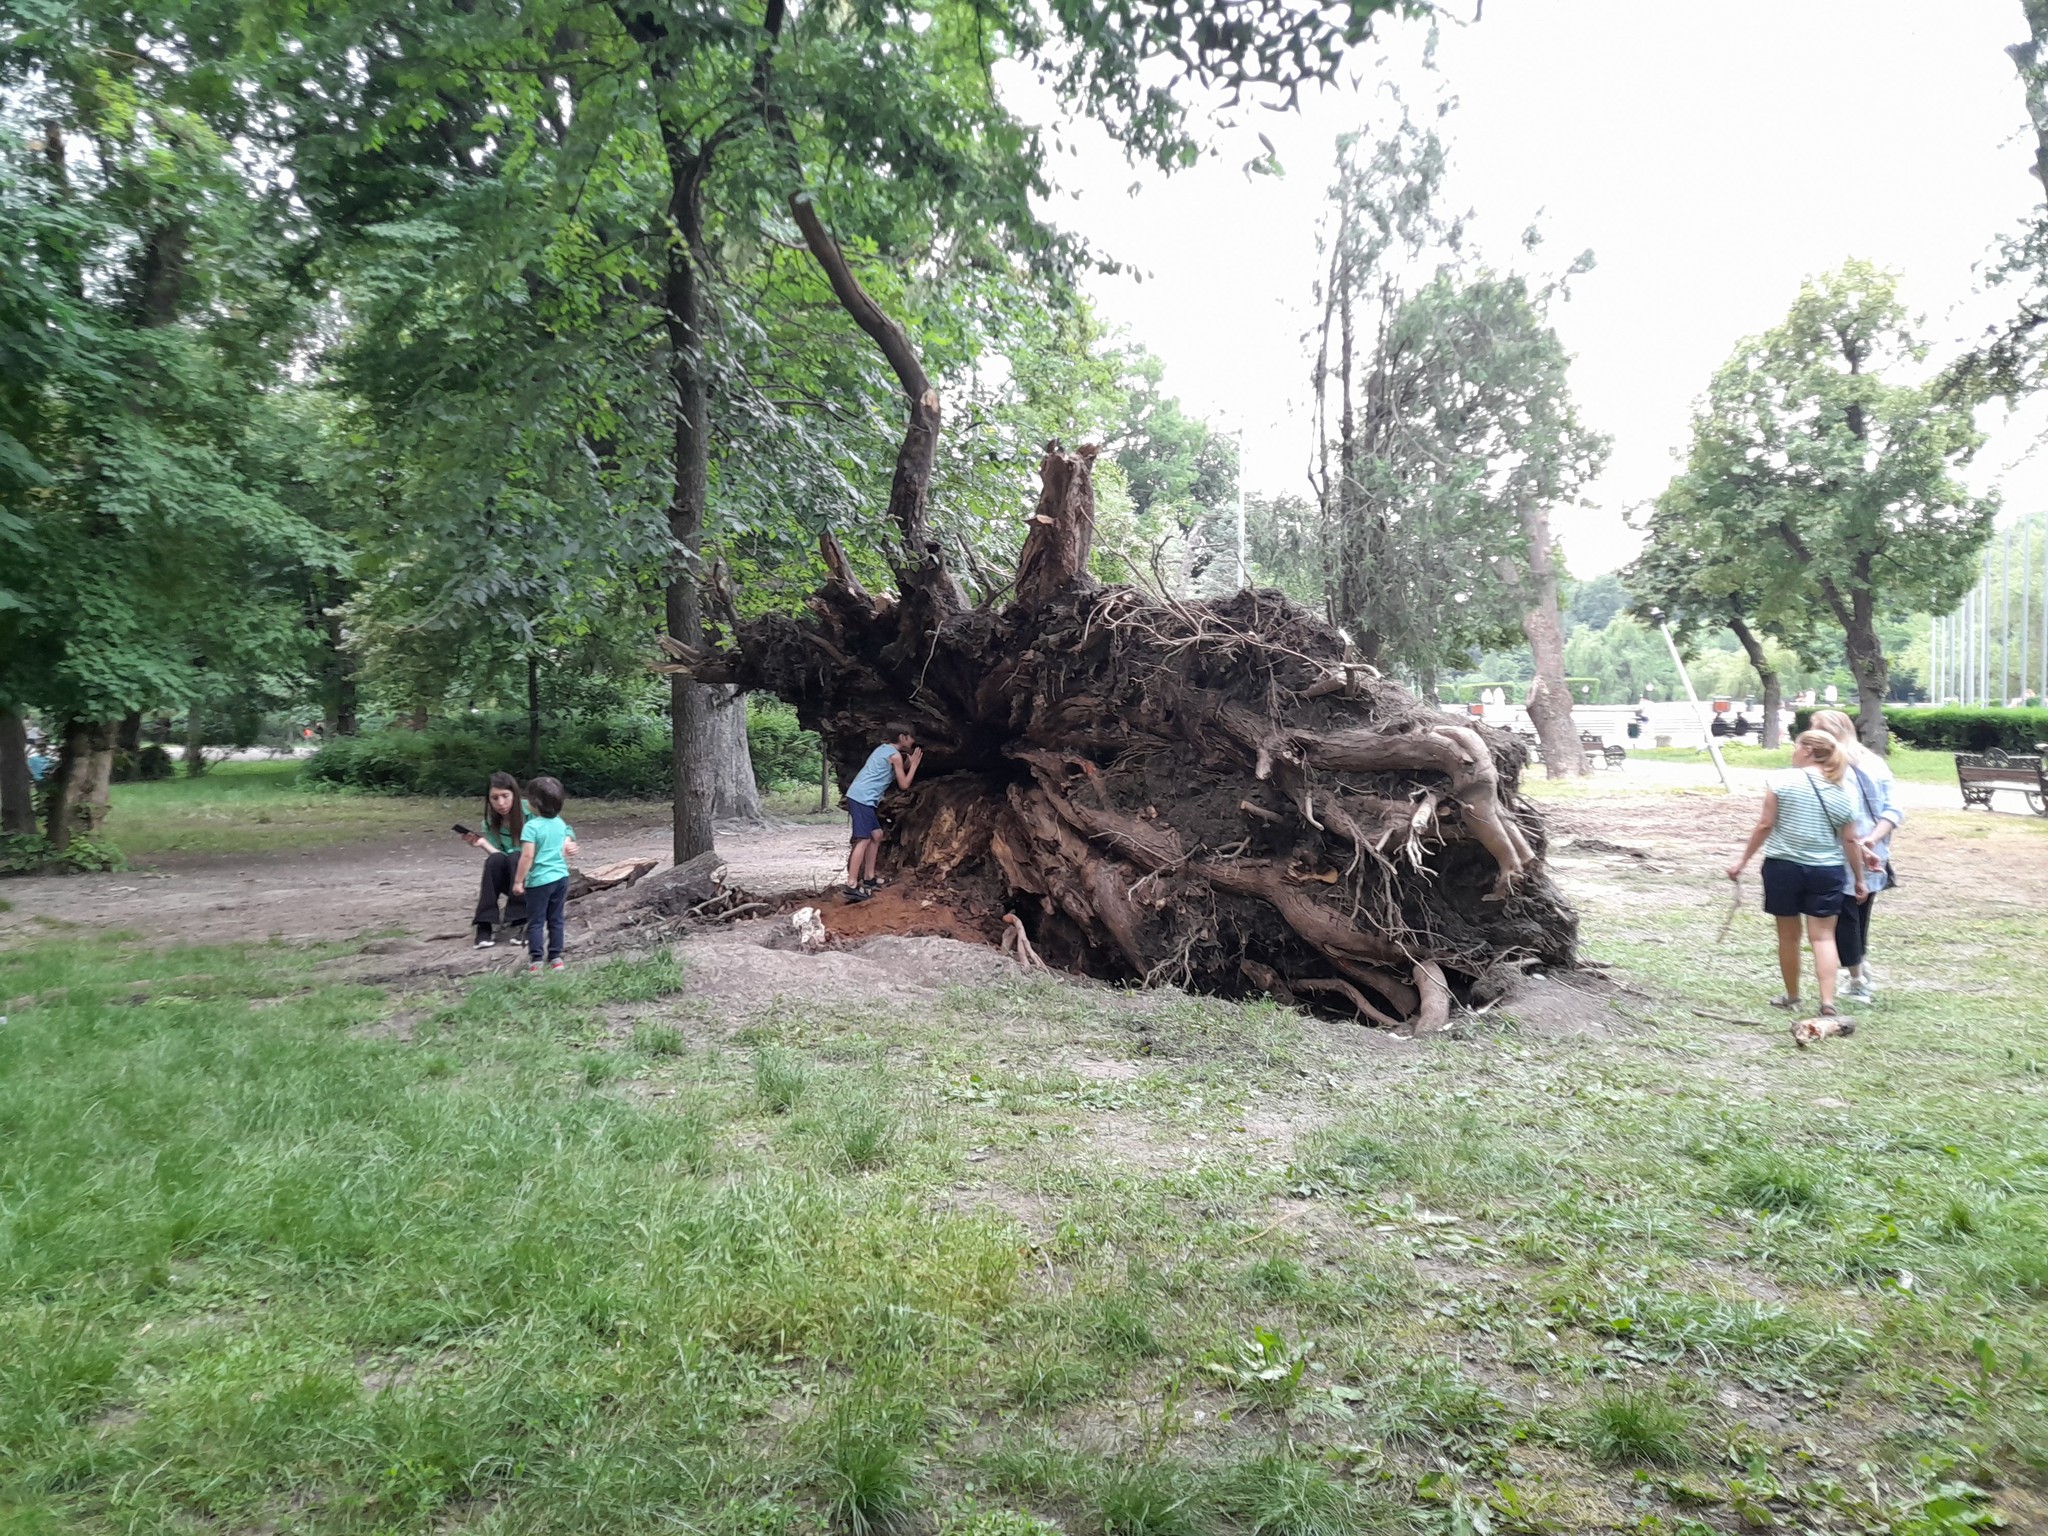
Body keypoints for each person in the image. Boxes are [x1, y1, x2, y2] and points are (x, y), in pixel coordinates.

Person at [1725, 729, 1867, 1023]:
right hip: (1827, 870)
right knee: (1824, 937)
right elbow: (1850, 840)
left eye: (1795, 745)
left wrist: (1743, 859)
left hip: (1783, 867)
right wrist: (1860, 878)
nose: (1792, 751)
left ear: (1807, 751)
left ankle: (1792, 996)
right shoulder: (1844, 788)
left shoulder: (1781, 780)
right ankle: (1827, 1002)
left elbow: (1765, 824)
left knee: (1788, 937)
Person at [1810, 708, 1902, 1006]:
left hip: (1842, 853)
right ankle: (1861, 966)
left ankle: (1856, 978)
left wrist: (1860, 842)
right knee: (1860, 916)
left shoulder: (1832, 767)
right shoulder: (1874, 762)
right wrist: (1873, 840)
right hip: (1875, 851)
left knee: (1844, 920)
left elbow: (1834, 817)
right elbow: (1894, 809)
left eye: (1816, 728)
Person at [842, 722, 921, 903]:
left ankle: (869, 878)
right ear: (902, 738)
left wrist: (909, 761)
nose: (913, 740)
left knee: (876, 835)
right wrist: (914, 765)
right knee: (863, 839)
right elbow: (904, 784)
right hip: (862, 799)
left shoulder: (884, 749)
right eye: (911, 737)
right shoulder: (895, 756)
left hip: (862, 798)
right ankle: (851, 885)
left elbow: (894, 767)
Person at [511, 775, 578, 973]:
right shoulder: (559, 823)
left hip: (539, 881)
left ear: (534, 803)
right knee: (556, 919)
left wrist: (518, 881)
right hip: (561, 877)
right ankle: (556, 958)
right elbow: (564, 841)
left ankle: (536, 960)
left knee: (536, 921)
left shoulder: (531, 827)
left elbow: (527, 856)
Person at [461, 771, 528, 948]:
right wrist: (483, 843)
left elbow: (560, 827)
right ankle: (484, 923)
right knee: (495, 860)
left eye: (505, 796)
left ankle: (521, 919)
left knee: (516, 855)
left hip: (534, 877)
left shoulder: (531, 810)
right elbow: (501, 859)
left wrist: (568, 841)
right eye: (494, 798)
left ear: (514, 793)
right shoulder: (490, 823)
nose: (501, 803)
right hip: (513, 881)